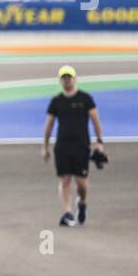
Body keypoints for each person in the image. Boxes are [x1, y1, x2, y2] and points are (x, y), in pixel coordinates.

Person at [42, 65, 104, 227]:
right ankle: (68, 212)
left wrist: (99, 142)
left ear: (74, 78)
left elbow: (96, 121)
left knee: (81, 182)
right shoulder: (56, 101)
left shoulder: (85, 98)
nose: (67, 79)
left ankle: (82, 202)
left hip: (81, 146)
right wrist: (45, 146)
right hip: (62, 146)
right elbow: (49, 125)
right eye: (64, 77)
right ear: (60, 80)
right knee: (65, 179)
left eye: (69, 76)